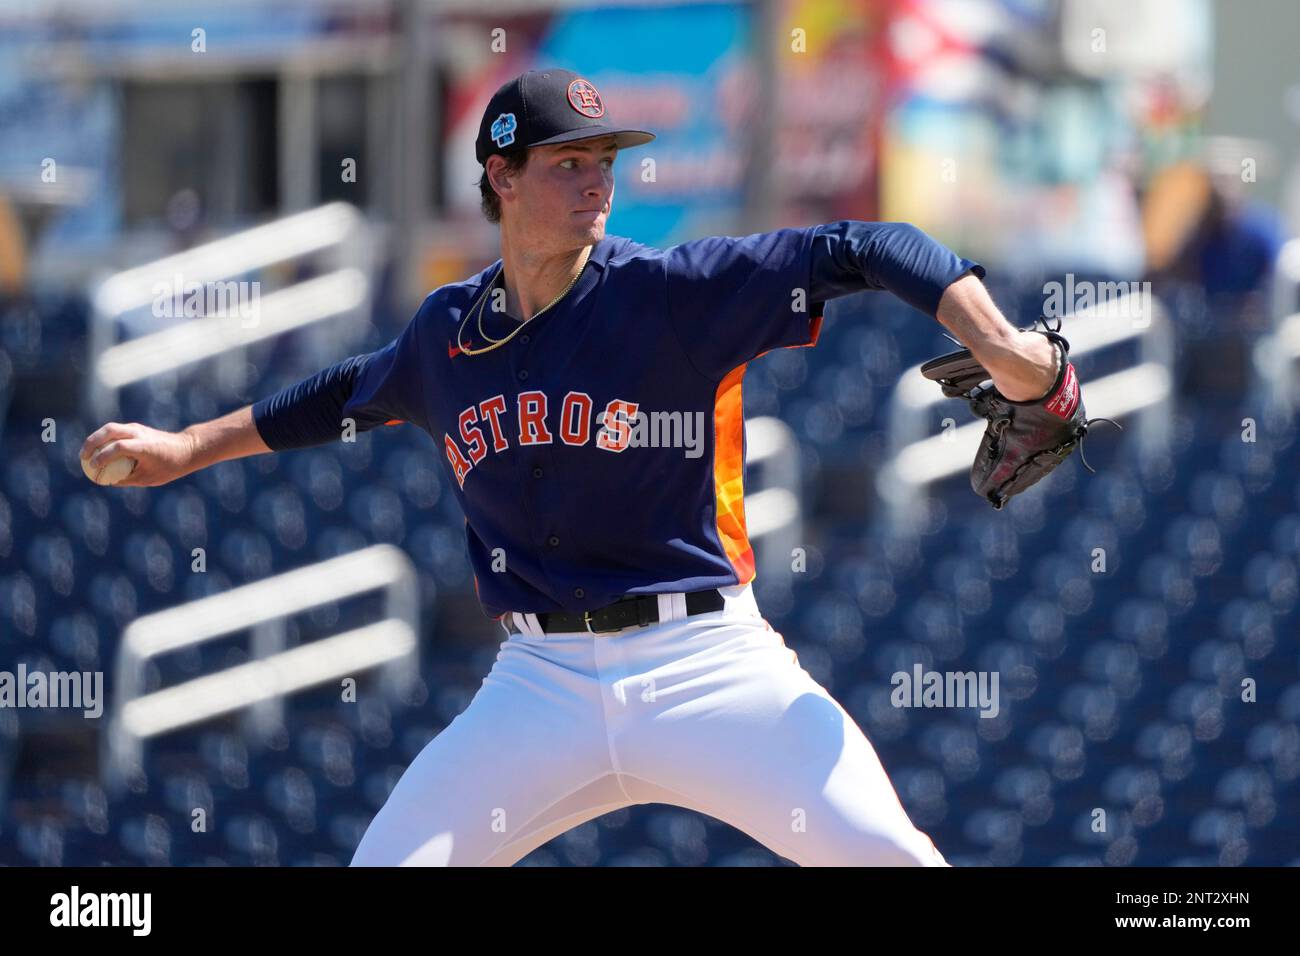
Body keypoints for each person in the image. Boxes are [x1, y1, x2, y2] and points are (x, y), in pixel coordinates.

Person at [81, 68, 1060, 866]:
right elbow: (341, 394)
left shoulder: (670, 293)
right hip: (538, 680)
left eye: (606, 162)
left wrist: (1007, 346)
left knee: (889, 856)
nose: (598, 181)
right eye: (569, 163)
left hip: (706, 665)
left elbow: (861, 244)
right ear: (500, 177)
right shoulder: (444, 334)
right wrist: (185, 448)